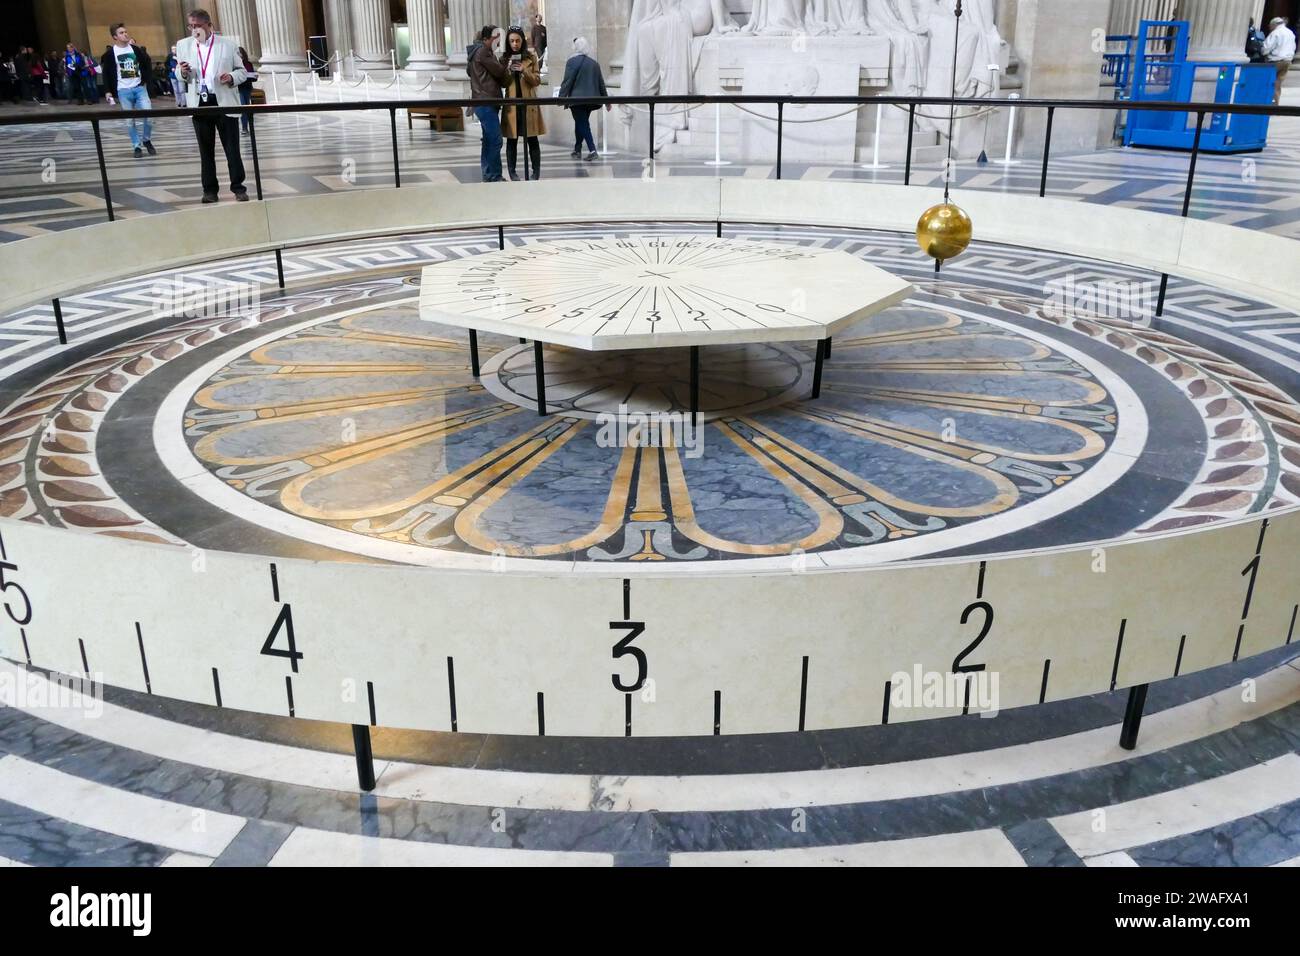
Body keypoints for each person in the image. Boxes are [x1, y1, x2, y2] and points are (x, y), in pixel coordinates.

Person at [175, 8, 249, 203]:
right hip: (199, 103)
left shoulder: (228, 45)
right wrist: (181, 72)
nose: (194, 30)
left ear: (209, 26)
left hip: (224, 101)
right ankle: (209, 191)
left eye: (198, 26)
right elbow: (177, 73)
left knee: (232, 149)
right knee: (205, 151)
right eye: (190, 26)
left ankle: (238, 187)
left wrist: (231, 77)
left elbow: (243, 72)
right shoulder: (183, 45)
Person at [102, 24, 156, 157]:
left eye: (126, 32)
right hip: (123, 90)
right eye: (121, 33)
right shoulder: (110, 54)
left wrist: (146, 81)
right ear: (115, 37)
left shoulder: (135, 50)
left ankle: (146, 140)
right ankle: (136, 146)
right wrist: (108, 91)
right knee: (129, 121)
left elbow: (146, 64)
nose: (125, 34)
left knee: (149, 116)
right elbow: (106, 73)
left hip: (139, 88)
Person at [499, 26, 545, 180]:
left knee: (532, 139)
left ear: (522, 41)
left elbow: (537, 81)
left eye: (518, 40)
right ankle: (512, 172)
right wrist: (509, 70)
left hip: (528, 104)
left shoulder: (531, 57)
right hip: (512, 106)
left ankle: (536, 172)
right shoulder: (504, 59)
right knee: (512, 140)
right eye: (512, 41)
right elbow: (503, 83)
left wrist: (524, 70)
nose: (515, 44)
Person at [467, 24, 509, 182]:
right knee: (495, 139)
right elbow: (499, 72)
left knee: (488, 140)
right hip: (486, 101)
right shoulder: (484, 51)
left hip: (482, 100)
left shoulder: (477, 52)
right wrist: (505, 61)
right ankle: (494, 175)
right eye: (495, 37)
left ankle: (487, 173)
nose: (498, 41)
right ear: (486, 39)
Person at [558, 36, 609, 161]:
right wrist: (607, 100)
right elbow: (601, 83)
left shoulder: (572, 62)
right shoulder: (594, 64)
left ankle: (592, 150)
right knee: (580, 122)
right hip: (592, 100)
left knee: (583, 124)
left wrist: (561, 97)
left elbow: (567, 81)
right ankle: (577, 149)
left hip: (577, 100)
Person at [1263, 16, 1296, 104]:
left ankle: (1265, 102)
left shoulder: (1275, 33)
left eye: (1270, 26)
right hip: (1287, 61)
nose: (1270, 28)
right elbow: (1293, 47)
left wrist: (1263, 51)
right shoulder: (1291, 33)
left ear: (1274, 25)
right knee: (1278, 83)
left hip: (1276, 60)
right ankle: (1275, 103)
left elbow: (1266, 48)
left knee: (1268, 81)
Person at [236, 46, 256, 132]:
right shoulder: (235, 65)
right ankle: (244, 127)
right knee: (243, 107)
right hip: (239, 88)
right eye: (237, 53)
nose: (239, 55)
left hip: (247, 87)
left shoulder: (248, 64)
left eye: (240, 53)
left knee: (248, 107)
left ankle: (250, 125)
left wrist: (254, 76)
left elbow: (252, 75)